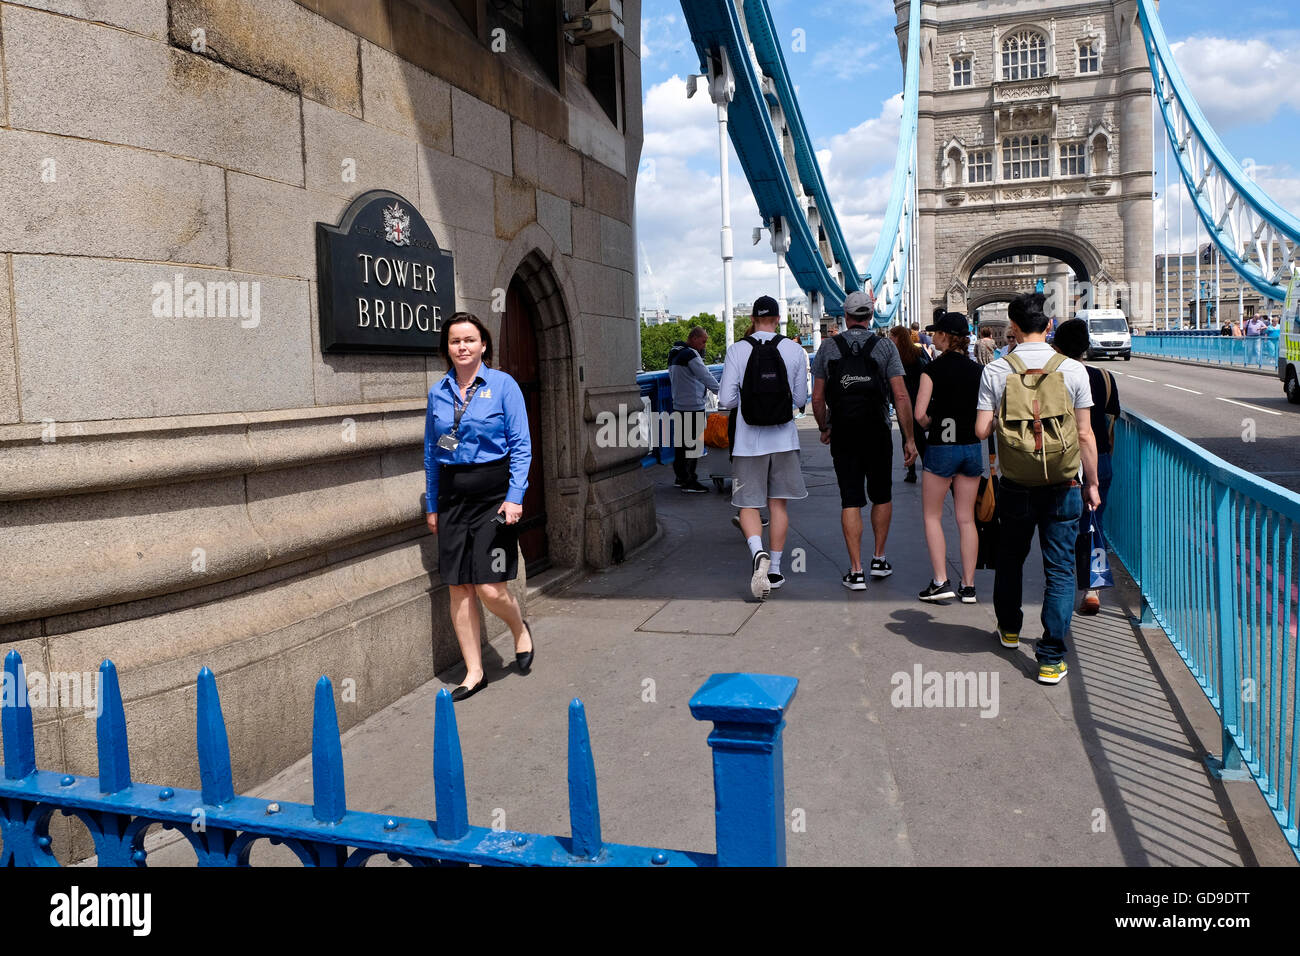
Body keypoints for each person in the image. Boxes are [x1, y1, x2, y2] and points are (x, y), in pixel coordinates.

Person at [974, 292, 1101, 685]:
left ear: (1012, 327)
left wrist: (1007, 422)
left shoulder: (997, 370)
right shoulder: (1073, 370)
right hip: (1064, 481)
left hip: (1014, 484)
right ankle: (1049, 658)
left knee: (1011, 558)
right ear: (1049, 326)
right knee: (1060, 568)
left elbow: (980, 430)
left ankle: (1009, 629)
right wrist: (1092, 483)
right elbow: (1084, 434)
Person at [424, 312, 534, 702]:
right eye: (455, 341)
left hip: (494, 495)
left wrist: (515, 496)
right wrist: (433, 503)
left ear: (483, 344)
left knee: (489, 586)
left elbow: (521, 446)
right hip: (453, 497)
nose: (463, 347)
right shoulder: (438, 393)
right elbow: (432, 453)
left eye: (469, 339)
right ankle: (474, 671)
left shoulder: (503, 386)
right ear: (447, 348)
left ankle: (519, 628)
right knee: (460, 587)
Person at [812, 291, 917, 589]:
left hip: (844, 431)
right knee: (881, 495)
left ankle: (856, 571)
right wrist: (910, 439)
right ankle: (879, 559)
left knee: (851, 499)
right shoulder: (884, 346)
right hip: (877, 431)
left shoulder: (828, 348)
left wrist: (824, 426)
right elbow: (899, 395)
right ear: (870, 316)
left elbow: (817, 398)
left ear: (845, 317)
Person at [717, 295, 809, 599]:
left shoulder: (737, 350)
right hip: (784, 440)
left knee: (747, 505)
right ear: (778, 318)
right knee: (778, 504)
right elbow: (799, 401)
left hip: (747, 442)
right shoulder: (795, 350)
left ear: (753, 319)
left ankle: (758, 553)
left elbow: (726, 401)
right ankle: (776, 569)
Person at [1052, 318, 1121, 616]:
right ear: (1086, 346)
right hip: (1099, 457)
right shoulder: (1104, 377)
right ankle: (1091, 589)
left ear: (1056, 346)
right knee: (1094, 523)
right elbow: (1109, 422)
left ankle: (1062, 587)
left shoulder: (1054, 377)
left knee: (1062, 527)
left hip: (1063, 460)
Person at [914, 312, 984, 603]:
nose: (933, 337)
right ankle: (968, 586)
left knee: (932, 515)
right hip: (970, 447)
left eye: (936, 333)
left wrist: (933, 423)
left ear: (944, 336)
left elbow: (919, 415)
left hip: (942, 447)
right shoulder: (979, 370)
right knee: (966, 518)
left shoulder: (932, 369)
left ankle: (941, 581)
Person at [668, 326, 719, 494]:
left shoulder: (675, 353)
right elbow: (705, 375)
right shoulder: (690, 355)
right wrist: (722, 392)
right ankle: (690, 481)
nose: (704, 345)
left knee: (681, 445)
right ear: (694, 338)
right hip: (693, 405)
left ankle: (680, 477)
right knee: (693, 445)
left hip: (679, 404)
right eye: (703, 341)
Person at [888, 324, 929, 482]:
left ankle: (911, 471)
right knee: (919, 436)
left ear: (898, 337)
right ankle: (926, 467)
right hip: (918, 399)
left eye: (892, 336)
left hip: (902, 402)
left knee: (907, 435)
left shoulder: (894, 356)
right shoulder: (918, 352)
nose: (890, 339)